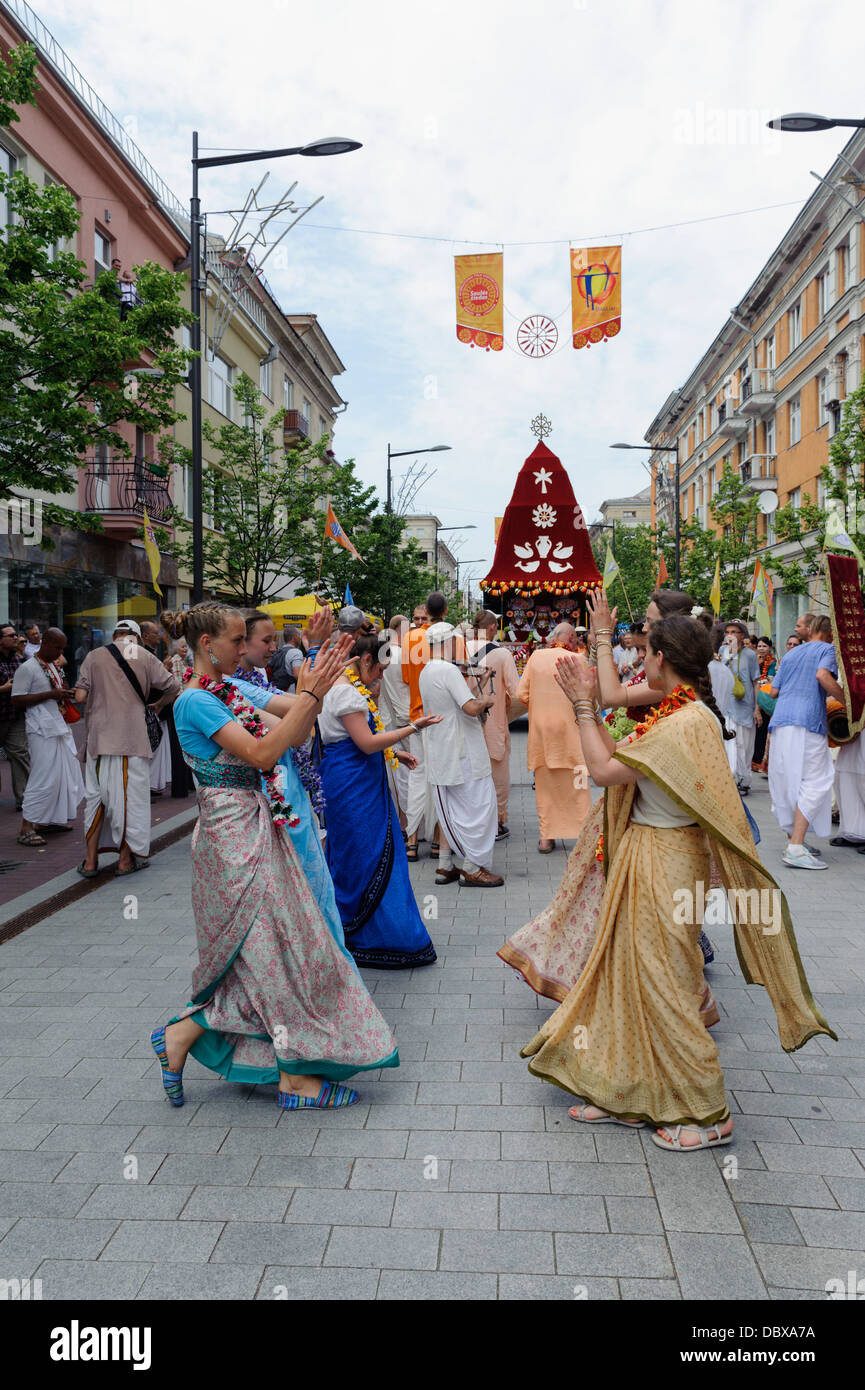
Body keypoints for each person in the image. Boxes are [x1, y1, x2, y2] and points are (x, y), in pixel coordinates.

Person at [520, 615, 834, 1150]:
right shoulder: (684, 713)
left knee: (664, 983)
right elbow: (617, 734)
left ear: (662, 660)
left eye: (645, 655)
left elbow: (603, 769)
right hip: (649, 853)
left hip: (666, 860)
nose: (640, 664)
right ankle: (624, 1089)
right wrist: (598, 643)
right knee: (627, 972)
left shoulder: (685, 722)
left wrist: (580, 705)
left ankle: (707, 1112)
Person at [152, 603, 398, 1111]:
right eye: (237, 641)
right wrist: (309, 690)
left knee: (267, 953)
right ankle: (291, 1076)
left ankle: (185, 1036)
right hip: (233, 837)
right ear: (205, 645)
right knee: (271, 950)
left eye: (247, 641)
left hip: (257, 826)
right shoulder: (196, 702)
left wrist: (314, 682)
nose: (245, 651)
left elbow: (299, 732)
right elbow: (264, 755)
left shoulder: (222, 690)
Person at [319, 627, 439, 967]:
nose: (380, 678)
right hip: (353, 781)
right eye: (380, 670)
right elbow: (367, 743)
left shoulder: (338, 688)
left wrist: (395, 755)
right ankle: (369, 932)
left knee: (359, 851)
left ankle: (356, 928)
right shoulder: (346, 694)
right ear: (366, 660)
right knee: (366, 852)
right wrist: (414, 728)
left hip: (350, 775)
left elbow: (360, 738)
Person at [74, 618, 180, 877]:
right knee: (129, 801)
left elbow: (79, 697)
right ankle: (124, 861)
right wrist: (159, 705)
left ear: (114, 636)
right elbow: (174, 685)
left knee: (96, 800)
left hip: (98, 740)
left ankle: (90, 862)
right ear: (136, 636)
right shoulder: (143, 655)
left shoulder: (94, 656)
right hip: (131, 739)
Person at [419, 622, 502, 887]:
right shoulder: (447, 669)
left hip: (442, 749)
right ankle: (472, 867)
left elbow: (458, 703)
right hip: (462, 750)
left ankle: (445, 864)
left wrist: (482, 683)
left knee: (453, 809)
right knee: (479, 806)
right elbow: (469, 708)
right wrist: (488, 701)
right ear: (448, 642)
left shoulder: (428, 669)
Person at [768, 614, 845, 870]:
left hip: (781, 721)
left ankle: (794, 841)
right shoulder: (827, 649)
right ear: (827, 632)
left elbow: (774, 691)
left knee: (790, 783)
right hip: (807, 720)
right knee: (818, 780)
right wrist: (848, 701)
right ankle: (796, 846)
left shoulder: (790, 654)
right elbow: (823, 676)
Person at [517, 622, 591, 853]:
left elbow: (521, 694)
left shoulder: (536, 657)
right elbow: (590, 696)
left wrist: (539, 706)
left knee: (546, 788)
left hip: (542, 734)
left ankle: (546, 838)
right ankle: (583, 835)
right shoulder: (578, 660)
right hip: (572, 734)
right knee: (578, 785)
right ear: (570, 638)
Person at [401, 593, 463, 860]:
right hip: (444, 718)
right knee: (442, 777)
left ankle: (412, 840)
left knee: (417, 776)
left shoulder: (410, 638)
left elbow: (406, 678)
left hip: (417, 715)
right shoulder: (453, 638)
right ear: (446, 611)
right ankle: (439, 840)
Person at [11, 627, 83, 845]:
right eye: (58, 647)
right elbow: (17, 699)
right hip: (40, 729)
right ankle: (26, 827)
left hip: (57, 726)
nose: (61, 653)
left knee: (61, 775)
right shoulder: (27, 668)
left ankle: (46, 820)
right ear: (46, 643)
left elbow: (54, 693)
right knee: (41, 777)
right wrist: (51, 694)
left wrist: (63, 694)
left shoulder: (52, 665)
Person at [469, 610, 520, 839]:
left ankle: (473, 820)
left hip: (467, 722)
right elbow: (517, 691)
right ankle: (497, 823)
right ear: (492, 628)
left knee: (471, 774)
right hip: (493, 722)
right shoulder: (502, 654)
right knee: (497, 773)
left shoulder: (460, 649)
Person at [377, 614, 412, 826]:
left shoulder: (382, 653)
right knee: (409, 771)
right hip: (406, 716)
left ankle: (398, 819)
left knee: (393, 772)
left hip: (385, 717)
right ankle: (410, 822)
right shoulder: (405, 655)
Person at [719, 619, 762, 795]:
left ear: (742, 635)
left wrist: (757, 708)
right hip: (727, 706)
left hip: (745, 706)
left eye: (734, 632)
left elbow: (756, 682)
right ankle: (731, 779)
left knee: (744, 746)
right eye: (728, 632)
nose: (731, 635)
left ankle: (744, 780)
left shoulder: (750, 655)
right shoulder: (722, 651)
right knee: (730, 744)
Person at [0, 622, 31, 811]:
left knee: (20, 755)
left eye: (15, 635)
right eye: (10, 635)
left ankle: (25, 799)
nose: (15, 638)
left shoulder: (17, 658)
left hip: (14, 715)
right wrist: (4, 688)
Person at [751, 637, 778, 771]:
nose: (761, 649)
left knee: (762, 729)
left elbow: (768, 681)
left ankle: (759, 761)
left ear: (770, 648)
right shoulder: (753, 661)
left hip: (765, 699)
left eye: (764, 646)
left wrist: (762, 682)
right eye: (759, 646)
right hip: (751, 697)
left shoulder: (772, 663)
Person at [270, 625, 305, 692]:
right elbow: (297, 675)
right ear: (295, 637)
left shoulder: (278, 652)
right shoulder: (296, 652)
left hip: (274, 691)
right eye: (299, 636)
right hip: (290, 692)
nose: (300, 638)